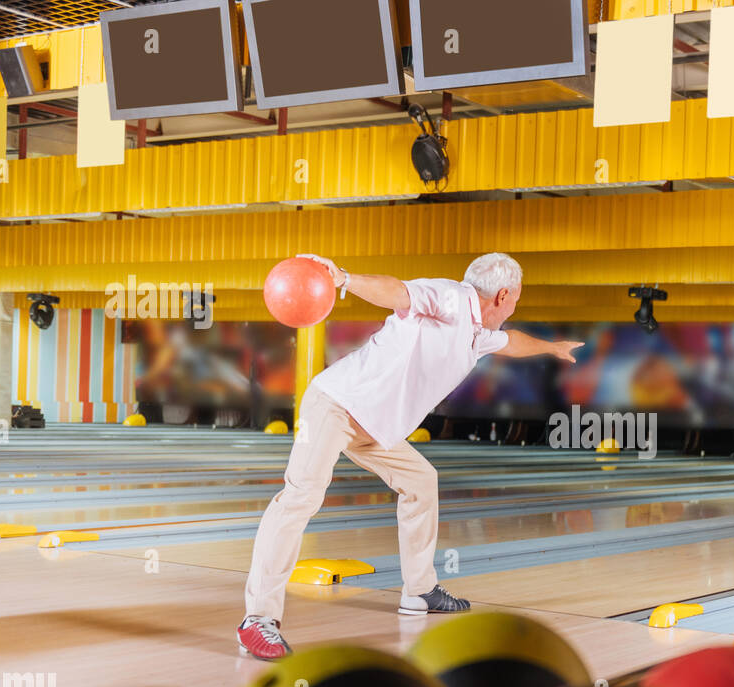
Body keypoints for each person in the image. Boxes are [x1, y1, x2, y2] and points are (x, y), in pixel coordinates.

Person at [237, 252, 582, 660]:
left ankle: (419, 591)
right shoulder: (450, 298)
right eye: (516, 300)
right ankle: (258, 618)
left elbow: (512, 343)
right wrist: (344, 279)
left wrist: (553, 347)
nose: (514, 309)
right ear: (503, 296)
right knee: (301, 497)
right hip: (336, 405)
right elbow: (399, 292)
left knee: (421, 482)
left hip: (376, 428)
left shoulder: (476, 330)